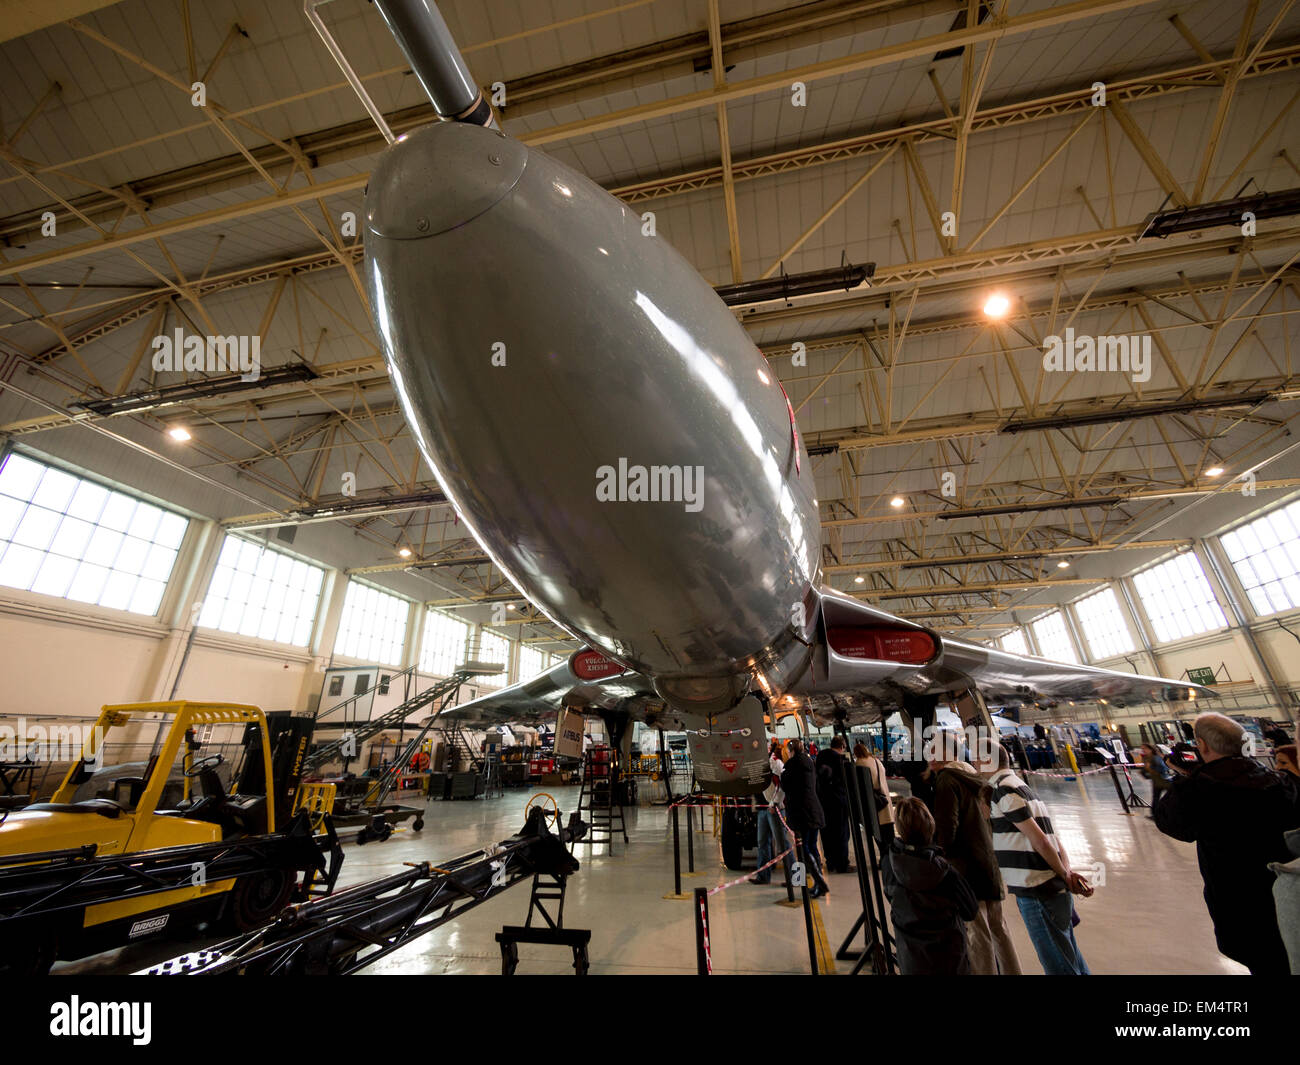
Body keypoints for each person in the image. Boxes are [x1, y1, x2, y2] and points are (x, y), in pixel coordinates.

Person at [1153, 712, 1300, 975]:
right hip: (1285, 893)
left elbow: (1168, 821)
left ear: (1204, 746)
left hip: (1238, 903)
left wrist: (1187, 776)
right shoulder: (1279, 780)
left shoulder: (1197, 788)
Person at [977, 743, 1093, 975]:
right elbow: (1053, 837)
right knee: (1069, 956)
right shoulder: (1023, 787)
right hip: (1050, 885)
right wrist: (1066, 873)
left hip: (1038, 889)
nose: (975, 765)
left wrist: (1064, 875)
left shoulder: (1004, 790)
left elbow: (1041, 841)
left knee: (1057, 964)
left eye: (978, 759)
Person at [931, 742, 1021, 974]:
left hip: (965, 867)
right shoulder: (977, 777)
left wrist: (937, 855)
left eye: (932, 754)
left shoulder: (946, 780)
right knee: (999, 927)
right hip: (989, 861)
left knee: (976, 931)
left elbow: (946, 829)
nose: (928, 760)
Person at [881, 797, 979, 975]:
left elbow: (890, 897)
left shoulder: (889, 864)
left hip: (911, 957)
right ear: (930, 826)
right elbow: (970, 910)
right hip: (949, 958)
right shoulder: (945, 872)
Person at [779, 737, 830, 898]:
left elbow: (785, 786)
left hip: (802, 813)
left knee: (804, 848)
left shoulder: (792, 765)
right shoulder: (809, 763)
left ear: (791, 751)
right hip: (813, 810)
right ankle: (816, 882)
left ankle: (818, 882)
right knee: (812, 846)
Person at [751, 738, 790, 885]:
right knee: (762, 843)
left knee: (783, 845)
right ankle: (763, 876)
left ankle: (795, 878)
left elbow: (781, 787)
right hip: (763, 808)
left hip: (775, 809)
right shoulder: (760, 764)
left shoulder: (775, 763)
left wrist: (774, 803)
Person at [816, 736, 852, 873]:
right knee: (842, 833)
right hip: (838, 802)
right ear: (842, 746)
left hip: (823, 801)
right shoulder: (841, 760)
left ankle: (830, 862)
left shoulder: (820, 756)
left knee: (826, 833)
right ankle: (842, 864)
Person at [854, 741, 895, 847]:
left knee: (881, 841)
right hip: (885, 802)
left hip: (875, 805)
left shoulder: (860, 762)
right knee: (890, 839)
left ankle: (885, 862)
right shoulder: (876, 761)